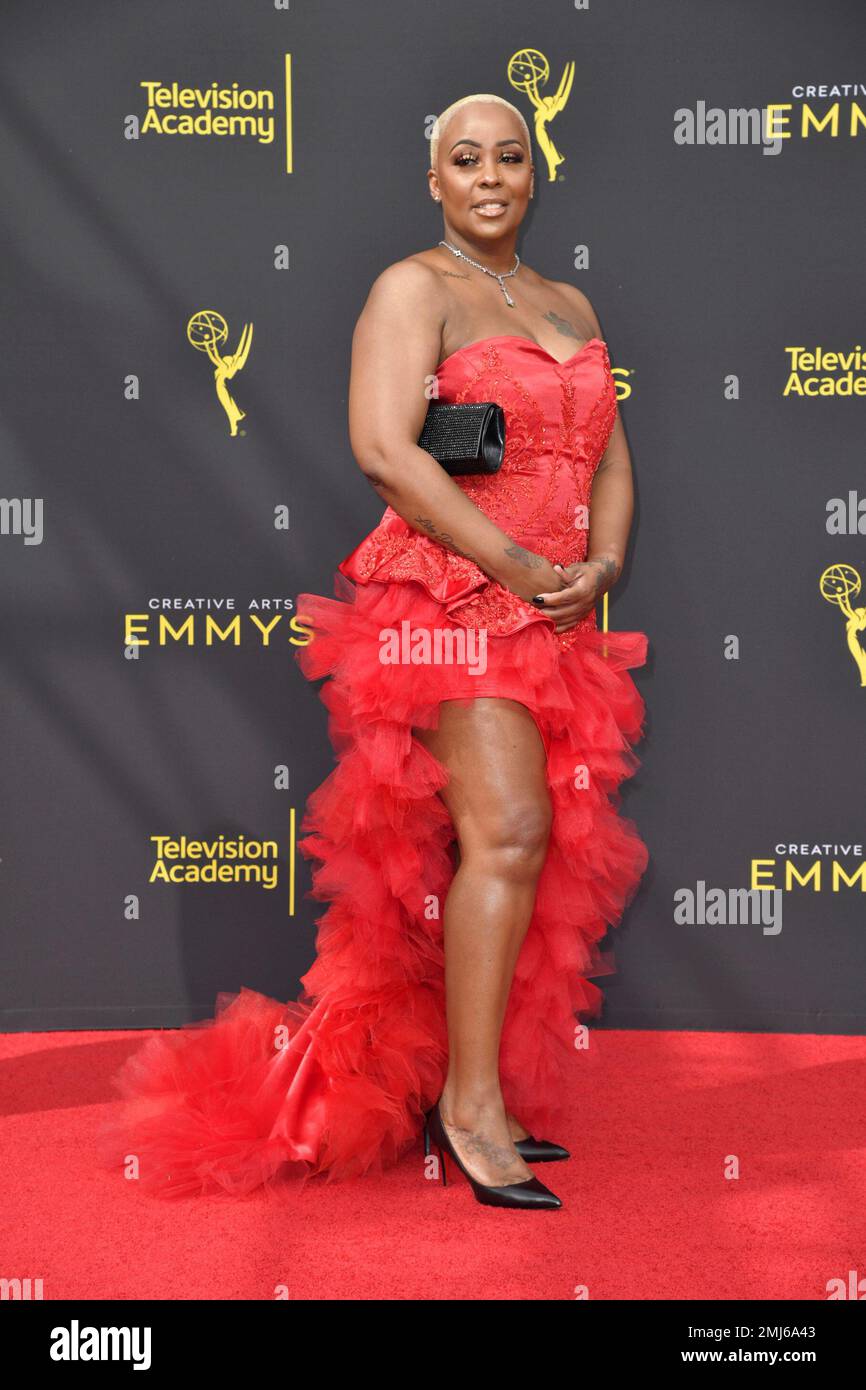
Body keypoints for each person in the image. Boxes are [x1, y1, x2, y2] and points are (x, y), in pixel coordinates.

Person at [99, 93, 649, 1211]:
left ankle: (470, 1087)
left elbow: (607, 460)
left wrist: (599, 567)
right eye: (464, 159)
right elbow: (384, 451)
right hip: (447, 598)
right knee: (509, 829)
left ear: (533, 175)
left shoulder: (566, 300)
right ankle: (467, 1110)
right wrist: (514, 563)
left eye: (507, 156)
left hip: (554, 610)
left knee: (512, 861)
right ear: (434, 182)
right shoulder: (413, 289)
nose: (488, 175)